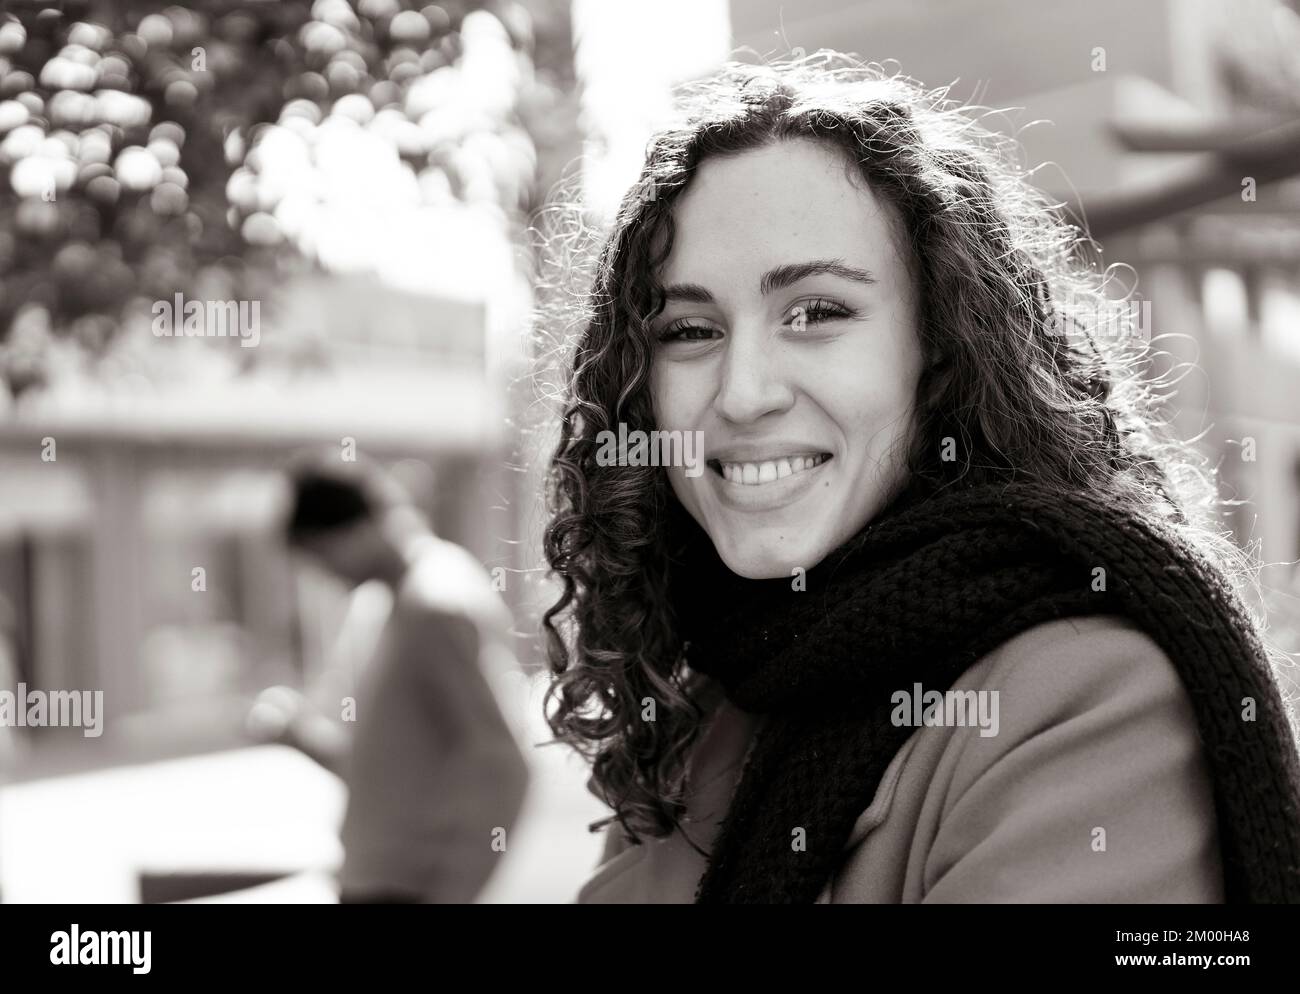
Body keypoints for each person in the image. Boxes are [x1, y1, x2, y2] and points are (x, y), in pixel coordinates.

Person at [539, 55, 1300, 903]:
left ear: (938, 346)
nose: (743, 393)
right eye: (688, 329)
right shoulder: (707, 687)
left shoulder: (1084, 695)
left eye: (818, 313)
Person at [255, 453, 530, 903]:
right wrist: (298, 738)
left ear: (357, 529)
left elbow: (503, 762)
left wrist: (455, 894)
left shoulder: (435, 603)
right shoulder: (382, 605)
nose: (324, 573)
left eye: (322, 555)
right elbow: (388, 768)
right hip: (377, 880)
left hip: (410, 889)